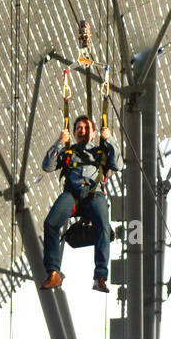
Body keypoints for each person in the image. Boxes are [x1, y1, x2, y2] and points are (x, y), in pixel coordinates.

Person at [39, 114, 121, 292]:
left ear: (93, 133)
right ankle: (53, 273)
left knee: (103, 225)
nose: (82, 131)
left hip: (94, 195)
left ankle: (100, 276)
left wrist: (110, 140)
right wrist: (60, 142)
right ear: (74, 133)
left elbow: (118, 165)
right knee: (51, 223)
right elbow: (47, 166)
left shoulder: (101, 151)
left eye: (86, 128)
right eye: (78, 129)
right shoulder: (68, 152)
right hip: (72, 195)